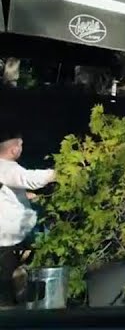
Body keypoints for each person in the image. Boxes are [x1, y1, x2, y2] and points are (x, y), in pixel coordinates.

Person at [0, 131, 56, 306]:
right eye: (21, 145)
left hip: (7, 237)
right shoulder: (8, 168)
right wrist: (56, 173)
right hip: (9, 237)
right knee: (6, 283)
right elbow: (30, 179)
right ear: (14, 149)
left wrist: (26, 196)